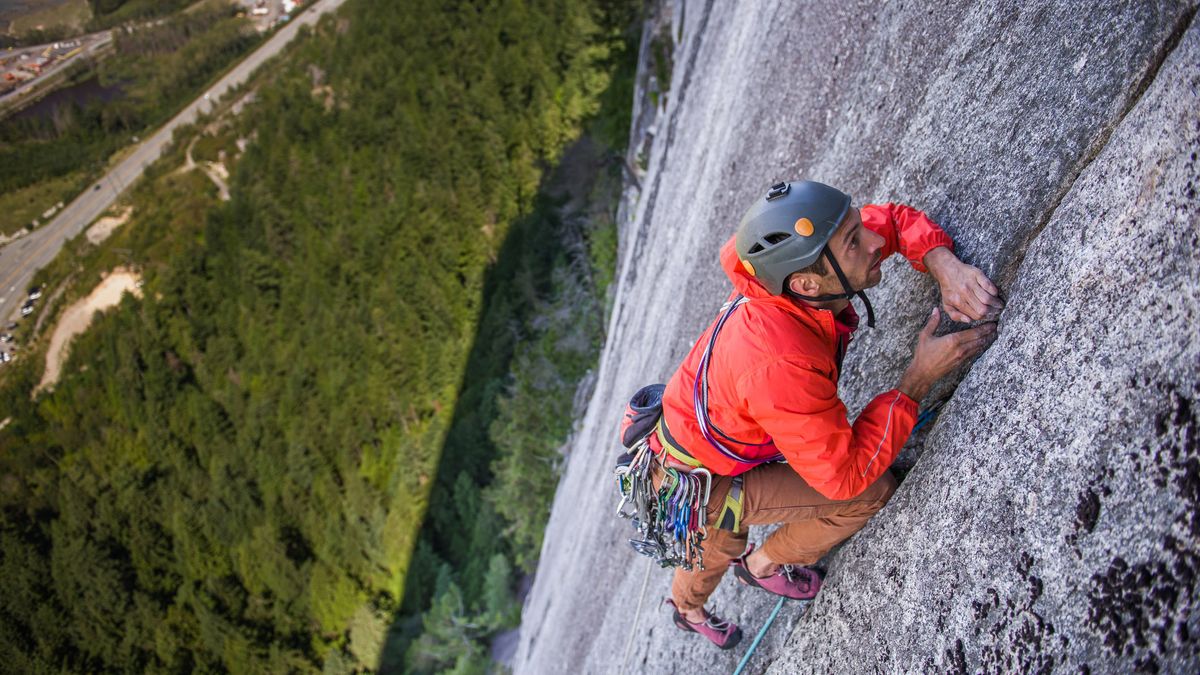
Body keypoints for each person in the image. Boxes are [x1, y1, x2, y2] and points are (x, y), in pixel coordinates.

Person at [656, 180, 1004, 648]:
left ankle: (748, 571)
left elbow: (894, 222)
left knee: (725, 535)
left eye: (858, 228)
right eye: (856, 242)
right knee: (728, 537)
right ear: (804, 285)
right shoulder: (781, 362)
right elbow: (845, 477)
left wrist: (944, 264)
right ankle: (699, 603)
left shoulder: (804, 264)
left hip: (717, 428)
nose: (874, 243)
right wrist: (916, 382)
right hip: (696, 477)